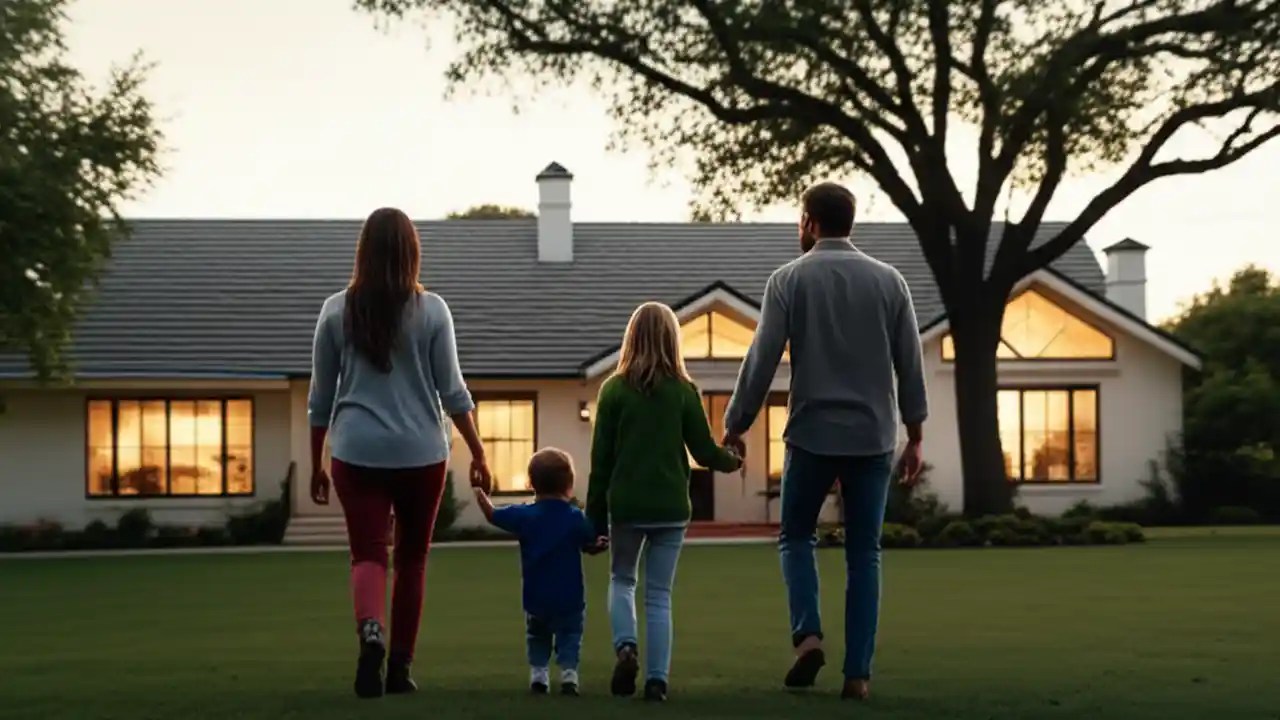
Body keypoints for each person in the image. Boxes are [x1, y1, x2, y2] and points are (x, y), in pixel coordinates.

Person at [722, 183, 928, 701]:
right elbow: (910, 361)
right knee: (865, 554)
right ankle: (857, 674)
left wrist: (736, 423)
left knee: (796, 537)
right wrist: (916, 432)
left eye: (799, 220)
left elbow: (762, 358)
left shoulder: (788, 280)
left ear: (810, 222)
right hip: (873, 435)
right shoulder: (890, 281)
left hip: (811, 434)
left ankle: (808, 635)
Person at [308, 206, 492, 699]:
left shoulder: (334, 310)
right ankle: (400, 668)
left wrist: (315, 464)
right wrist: (477, 450)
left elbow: (320, 399)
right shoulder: (432, 310)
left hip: (355, 450)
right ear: (412, 251)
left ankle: (372, 631)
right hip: (420, 453)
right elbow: (452, 391)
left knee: (368, 553)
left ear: (362, 251)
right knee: (412, 559)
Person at [586, 302, 743, 702]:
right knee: (659, 595)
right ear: (673, 340)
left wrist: (594, 521)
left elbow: (600, 463)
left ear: (631, 337)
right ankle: (657, 681)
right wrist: (733, 460)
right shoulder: (684, 393)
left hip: (626, 506)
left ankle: (626, 647)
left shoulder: (613, 391)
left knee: (622, 580)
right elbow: (705, 452)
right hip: (671, 508)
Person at [473, 448, 608, 696]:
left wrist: (480, 493)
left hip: (536, 595)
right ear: (569, 483)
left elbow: (493, 515)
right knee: (570, 634)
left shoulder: (525, 516)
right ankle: (569, 675)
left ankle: (539, 675)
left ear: (532, 482)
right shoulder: (574, 517)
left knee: (537, 635)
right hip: (570, 595)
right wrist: (597, 544)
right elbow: (589, 541)